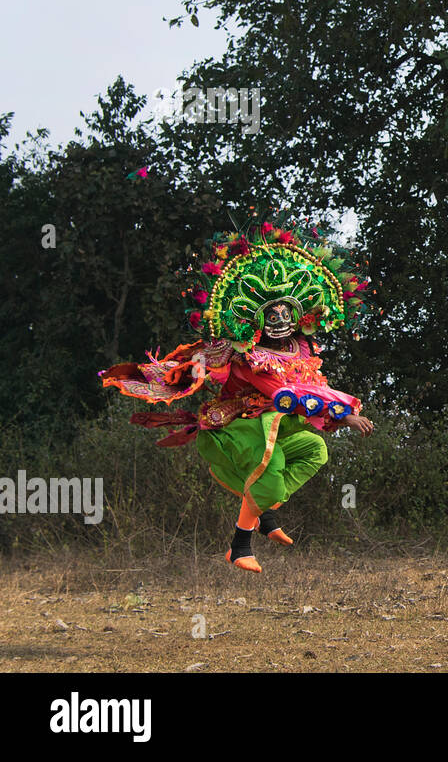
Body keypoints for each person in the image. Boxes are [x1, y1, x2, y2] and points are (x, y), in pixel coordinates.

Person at [102, 216, 375, 572]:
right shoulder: (248, 355)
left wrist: (342, 408)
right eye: (272, 318)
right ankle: (240, 544)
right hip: (244, 426)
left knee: (315, 450)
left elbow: (315, 387)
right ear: (258, 321)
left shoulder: (302, 349)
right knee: (270, 470)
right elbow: (285, 394)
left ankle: (266, 512)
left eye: (286, 316)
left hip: (279, 425)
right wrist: (344, 413)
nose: (280, 324)